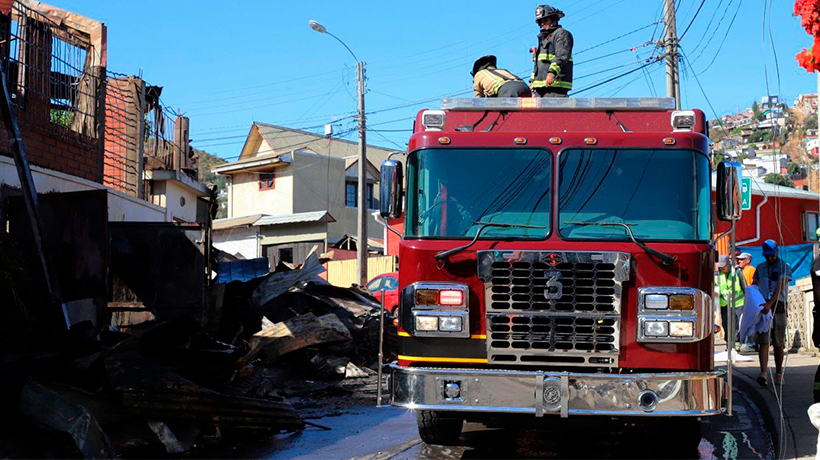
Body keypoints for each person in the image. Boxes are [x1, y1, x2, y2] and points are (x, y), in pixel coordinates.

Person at [752, 239, 792, 386]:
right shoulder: (760, 268)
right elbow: (754, 286)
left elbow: (780, 287)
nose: (769, 258)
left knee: (778, 343)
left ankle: (779, 373)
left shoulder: (784, 267)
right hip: (763, 308)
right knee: (763, 341)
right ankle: (763, 373)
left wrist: (770, 304)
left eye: (772, 254)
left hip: (778, 308)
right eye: (767, 255)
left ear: (777, 251)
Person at [530, 5, 574, 97]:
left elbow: (562, 56)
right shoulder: (544, 39)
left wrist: (552, 73)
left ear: (554, 20)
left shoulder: (561, 34)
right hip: (540, 89)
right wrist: (532, 81)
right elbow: (538, 65)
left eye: (545, 20)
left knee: (553, 111)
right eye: (541, 22)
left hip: (555, 87)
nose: (542, 24)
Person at [715, 255, 744, 350]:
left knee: (737, 324)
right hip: (725, 304)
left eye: (724, 265)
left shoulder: (737, 273)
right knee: (726, 324)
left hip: (738, 304)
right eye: (721, 266)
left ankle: (736, 345)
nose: (722, 267)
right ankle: (728, 343)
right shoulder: (718, 276)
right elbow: (715, 287)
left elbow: (745, 287)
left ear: (728, 264)